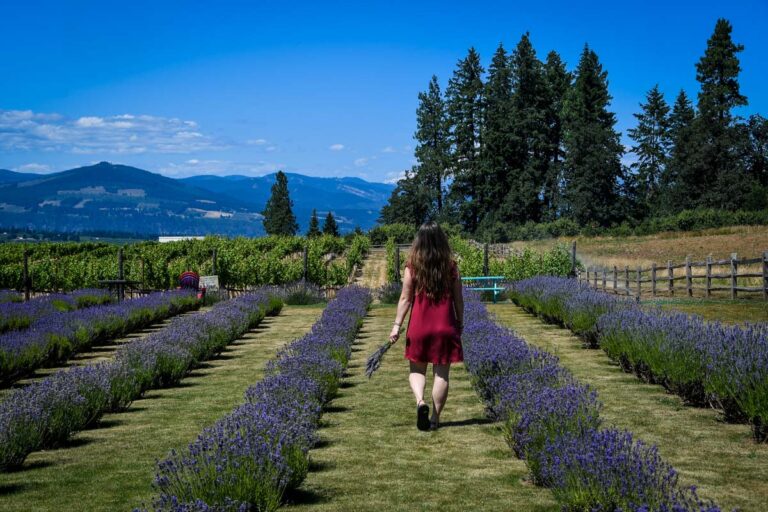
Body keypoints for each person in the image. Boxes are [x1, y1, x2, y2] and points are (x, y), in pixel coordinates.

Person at [389, 222, 464, 431]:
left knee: (417, 370)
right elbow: (459, 300)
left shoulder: (412, 266)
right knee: (442, 374)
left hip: (419, 327)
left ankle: (420, 401)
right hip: (445, 325)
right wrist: (460, 322)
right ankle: (435, 418)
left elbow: (405, 298)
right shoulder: (451, 267)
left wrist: (396, 326)